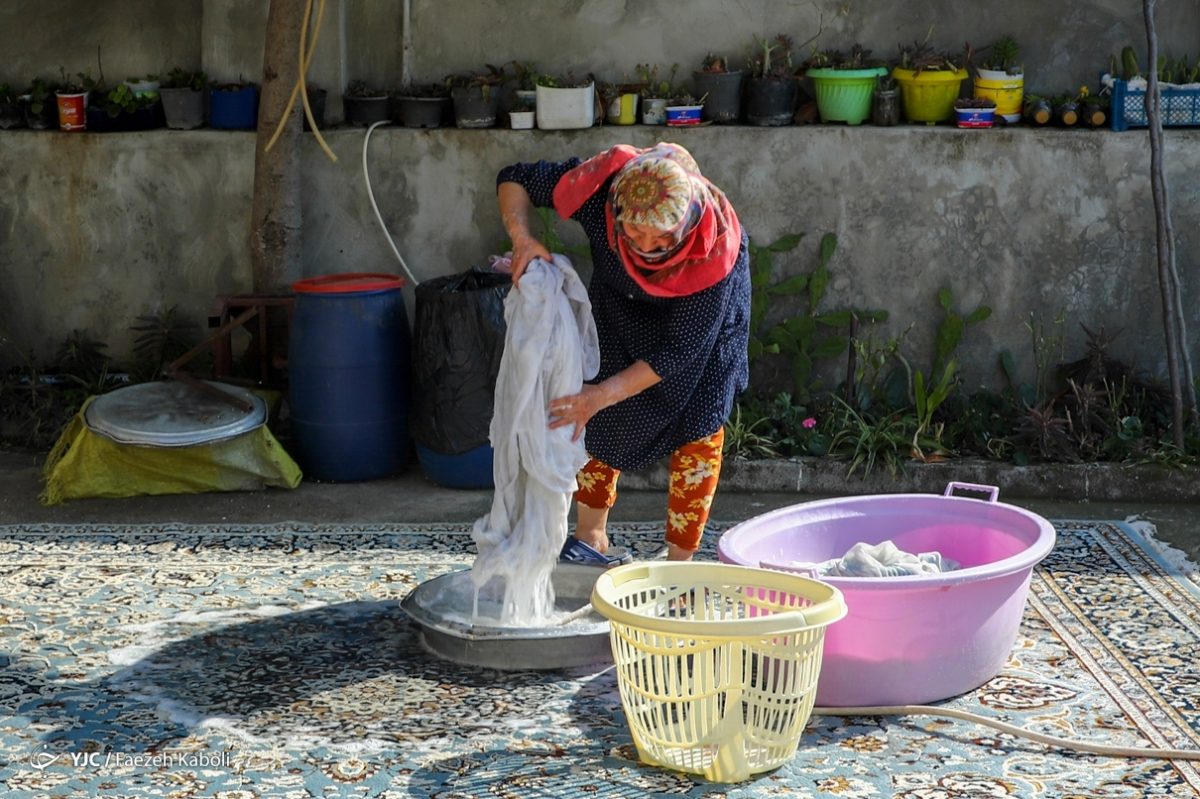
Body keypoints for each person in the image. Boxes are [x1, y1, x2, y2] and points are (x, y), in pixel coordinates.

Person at [496, 142, 750, 562]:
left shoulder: (713, 249)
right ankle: (589, 538)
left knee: (698, 424)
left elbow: (678, 350)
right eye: (635, 234)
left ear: (686, 223)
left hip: (697, 336)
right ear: (616, 214)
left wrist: (601, 395)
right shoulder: (600, 194)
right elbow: (515, 177)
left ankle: (678, 565)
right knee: (592, 412)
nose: (648, 246)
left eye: (662, 237)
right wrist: (523, 239)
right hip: (621, 304)